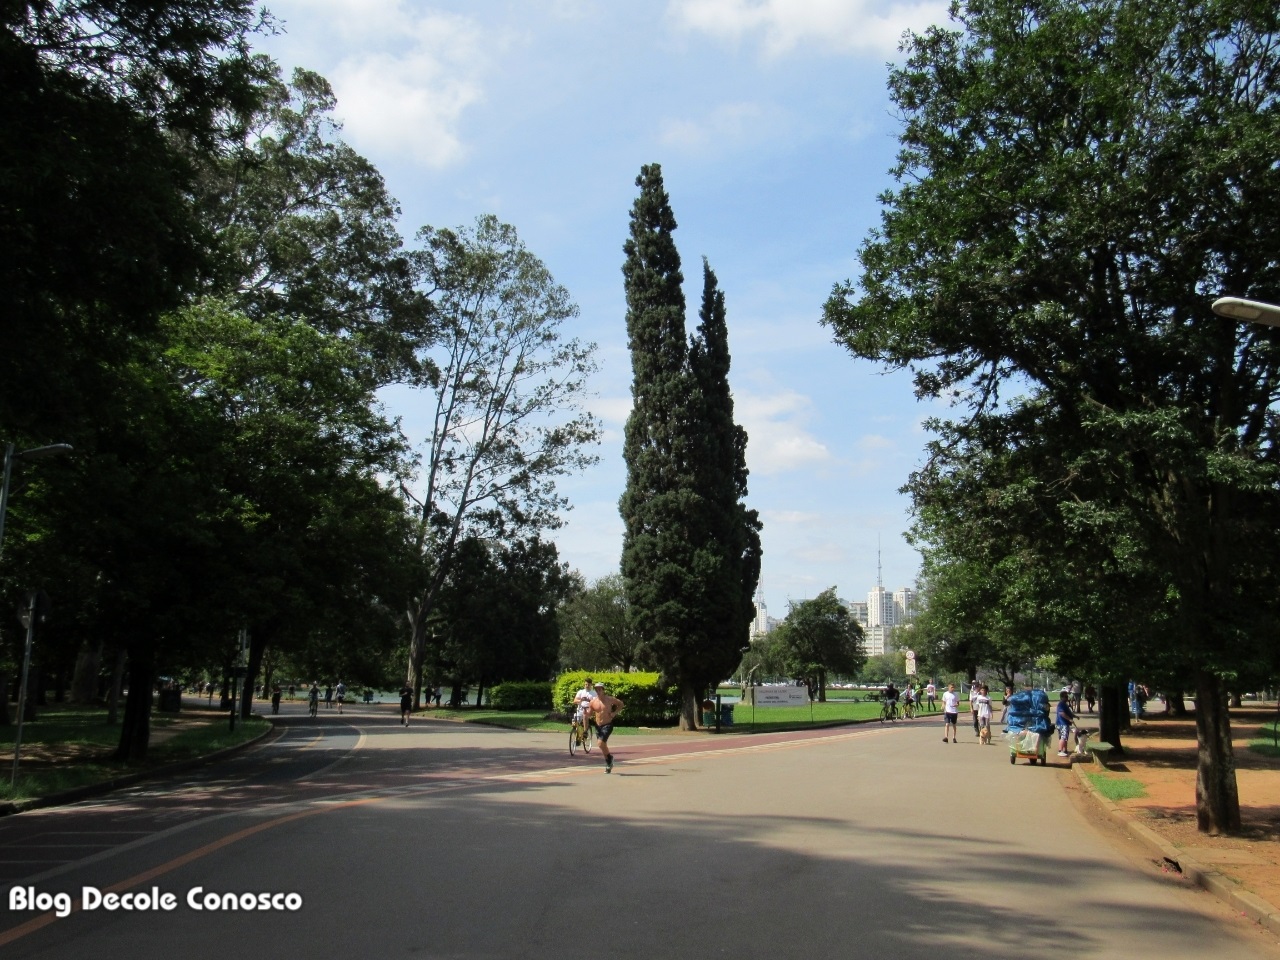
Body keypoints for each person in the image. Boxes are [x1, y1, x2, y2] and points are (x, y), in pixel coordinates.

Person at [588, 682, 625, 773]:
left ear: (603, 690)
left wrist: (614, 713)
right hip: (598, 726)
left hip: (607, 724)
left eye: (600, 689)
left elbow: (621, 704)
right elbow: (589, 713)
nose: (598, 691)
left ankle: (609, 760)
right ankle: (609, 762)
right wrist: (586, 713)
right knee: (602, 746)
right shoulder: (593, 702)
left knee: (600, 743)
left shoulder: (609, 699)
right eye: (596, 689)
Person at [1056, 689, 1076, 757]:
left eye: (1067, 697)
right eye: (1065, 697)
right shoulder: (1061, 704)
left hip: (1064, 723)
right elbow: (1062, 713)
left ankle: (1065, 750)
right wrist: (1069, 719)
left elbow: (1068, 712)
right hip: (1062, 723)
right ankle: (1060, 750)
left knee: (1065, 737)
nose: (1067, 698)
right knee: (1063, 737)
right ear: (1061, 697)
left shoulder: (1065, 704)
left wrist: (1074, 716)